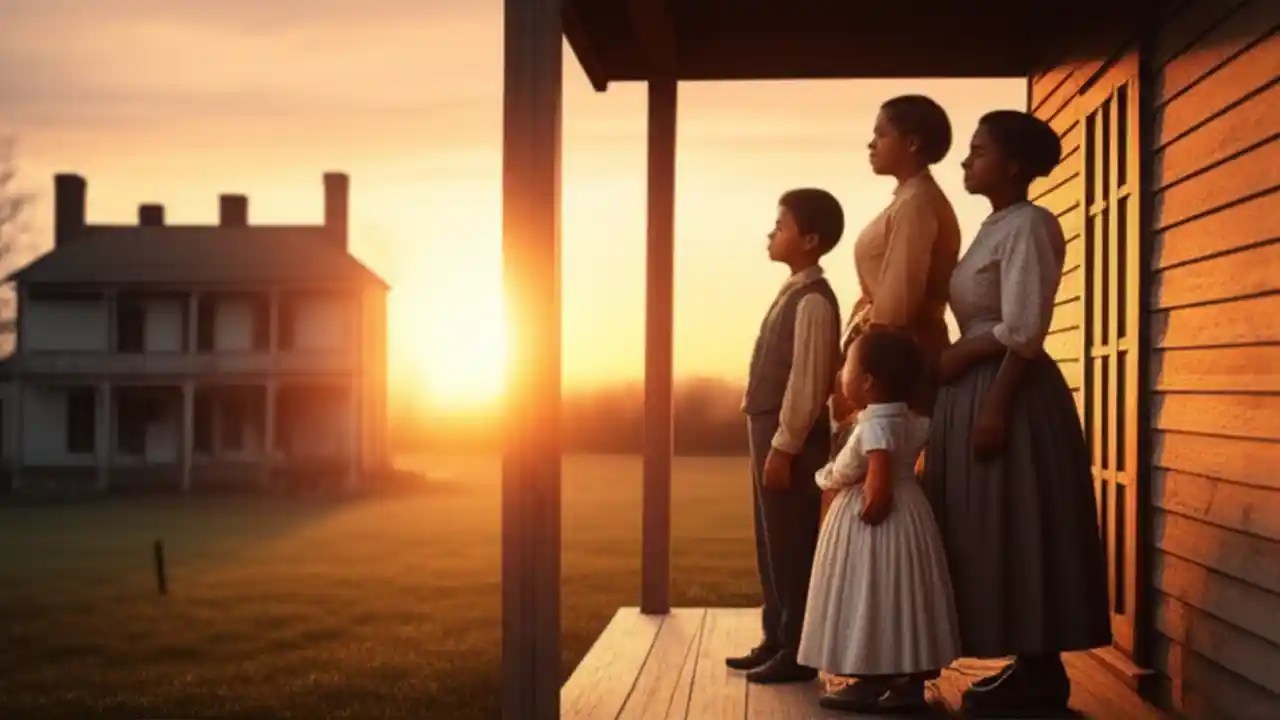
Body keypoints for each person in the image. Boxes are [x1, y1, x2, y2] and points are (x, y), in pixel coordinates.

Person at [926, 110, 1111, 717]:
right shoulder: (993, 226)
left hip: (1011, 392)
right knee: (990, 527)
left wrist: (993, 406)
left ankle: (1042, 670)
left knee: (1024, 522)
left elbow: (1026, 327)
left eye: (977, 151)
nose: (965, 160)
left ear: (1013, 165)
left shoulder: (1030, 225)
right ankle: (1025, 664)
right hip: (972, 389)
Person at [798, 329, 960, 714]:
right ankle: (907, 680)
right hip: (912, 515)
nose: (842, 374)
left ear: (867, 382)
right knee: (901, 594)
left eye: (847, 366)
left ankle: (870, 677)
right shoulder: (913, 418)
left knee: (870, 593)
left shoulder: (876, 423)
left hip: (877, 521)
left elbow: (878, 478)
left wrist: (868, 505)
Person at [727, 188, 844, 684]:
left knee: (793, 541)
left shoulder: (814, 301)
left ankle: (798, 650)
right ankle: (776, 636)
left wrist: (785, 445)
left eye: (782, 225)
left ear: (811, 239)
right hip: (768, 431)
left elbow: (807, 380)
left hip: (786, 438)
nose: (772, 233)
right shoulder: (794, 290)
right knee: (770, 539)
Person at [842, 94, 962, 415]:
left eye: (881, 134)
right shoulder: (908, 199)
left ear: (911, 143)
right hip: (891, 359)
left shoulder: (916, 203)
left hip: (898, 367)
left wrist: (865, 371)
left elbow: (897, 307)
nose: (871, 144)